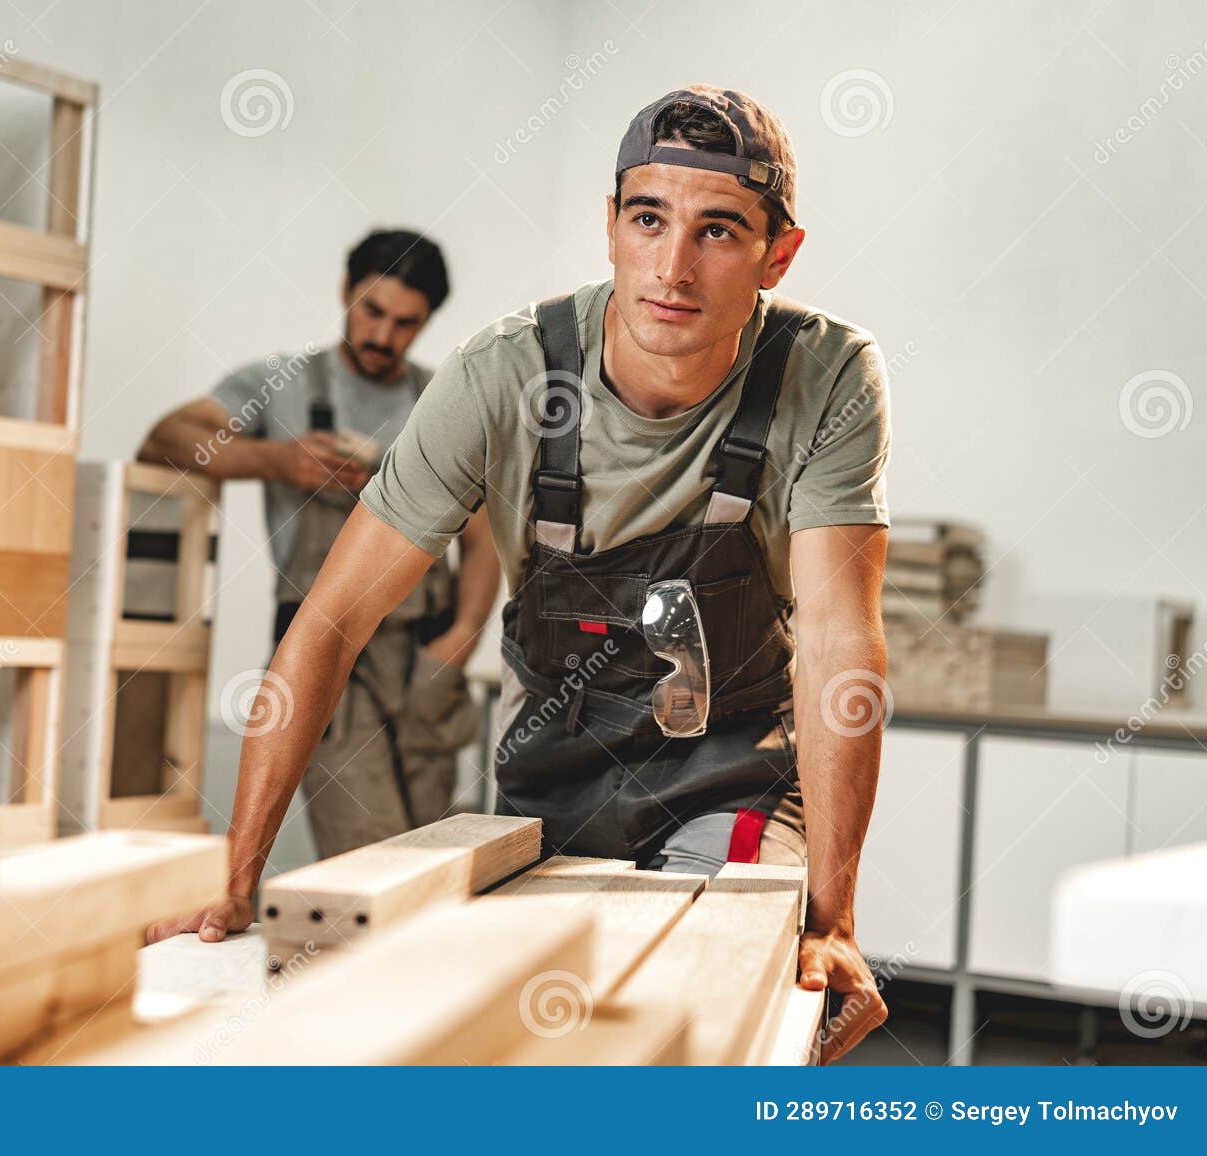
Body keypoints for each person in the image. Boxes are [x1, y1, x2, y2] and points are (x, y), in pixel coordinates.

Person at [148, 86, 891, 1062]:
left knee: (706, 1016)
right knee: (508, 1043)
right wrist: (239, 882)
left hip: (729, 784)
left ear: (776, 254)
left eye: (718, 231)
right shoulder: (505, 375)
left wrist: (833, 918)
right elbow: (327, 624)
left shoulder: (826, 374)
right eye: (647, 219)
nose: (672, 266)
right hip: (549, 789)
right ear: (612, 226)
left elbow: (839, 646)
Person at [140, 230, 501, 858]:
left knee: (435, 859)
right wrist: (277, 459)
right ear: (346, 291)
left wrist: (460, 638)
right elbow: (167, 437)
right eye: (372, 311)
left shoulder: (437, 397)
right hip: (327, 657)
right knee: (372, 859)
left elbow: (483, 533)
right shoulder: (282, 383)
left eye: (406, 323)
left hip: (423, 657)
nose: (384, 336)